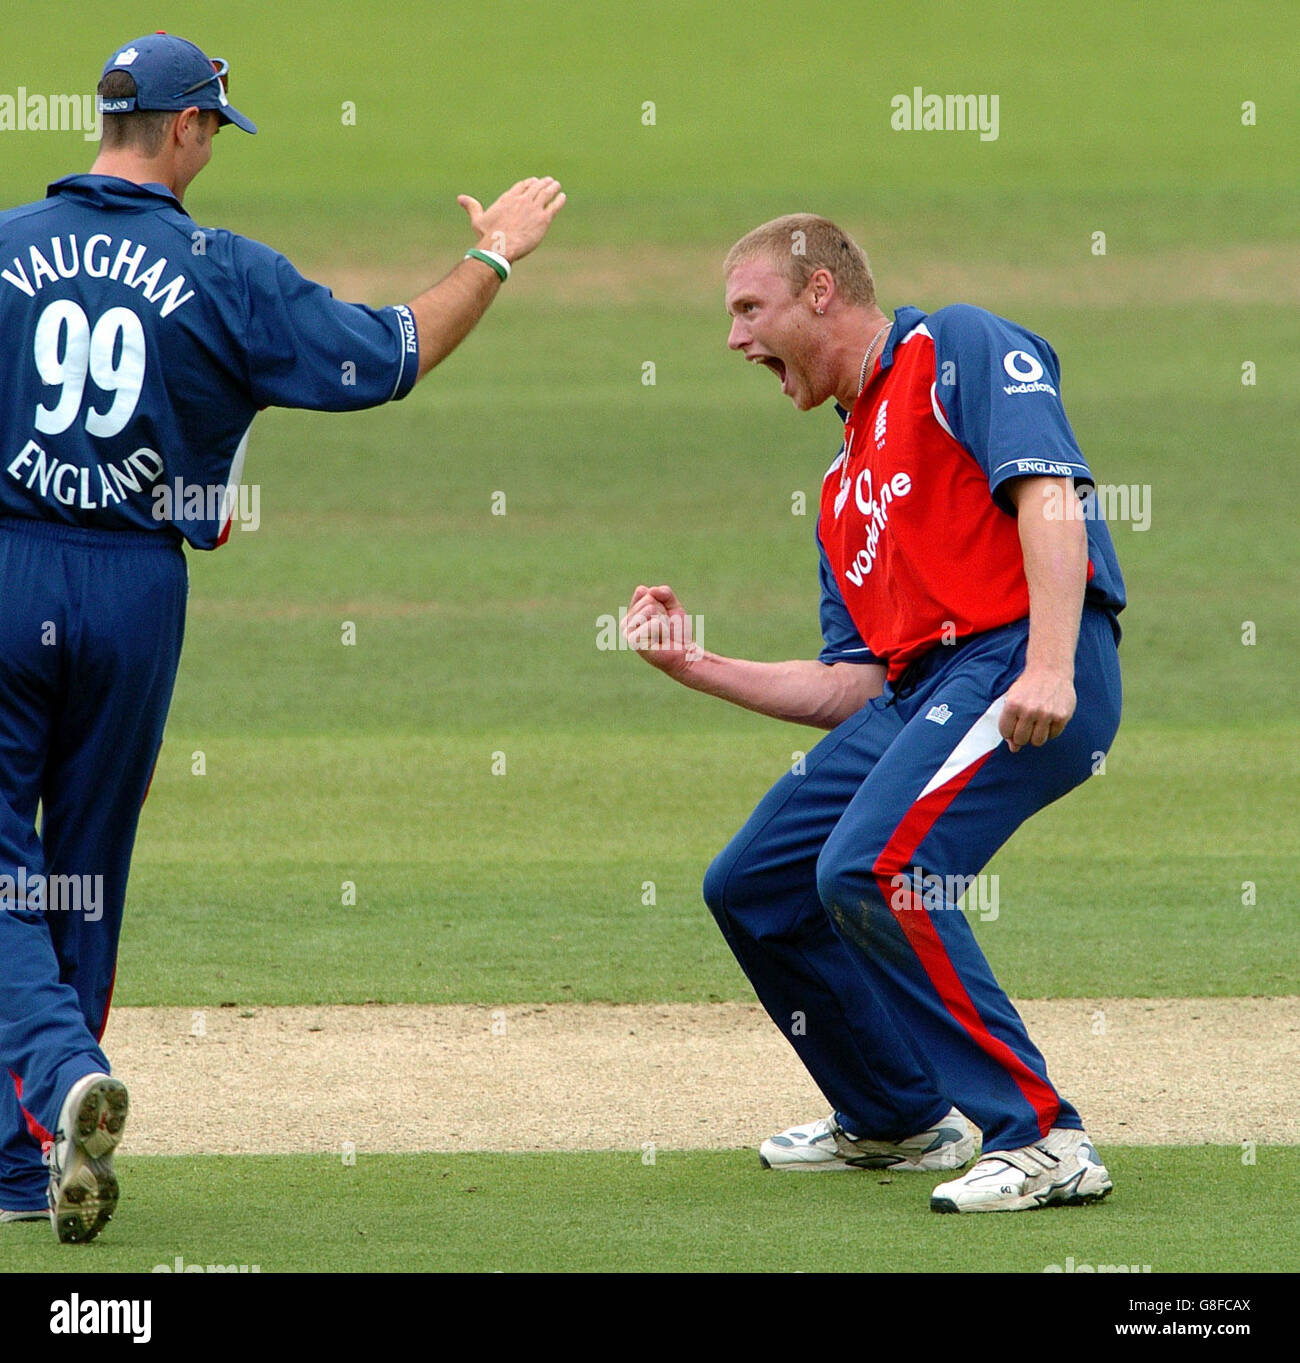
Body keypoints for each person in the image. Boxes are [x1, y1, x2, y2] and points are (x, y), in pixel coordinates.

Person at [0, 32, 564, 1243]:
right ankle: (38, 1133)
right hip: (136, 591)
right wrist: (493, 254)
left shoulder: (5, 247)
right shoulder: (227, 272)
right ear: (192, 130)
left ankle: (48, 1092)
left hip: (6, 565)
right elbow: (392, 355)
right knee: (84, 865)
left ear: (106, 124)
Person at [624, 214, 1126, 1213]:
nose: (733, 338)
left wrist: (1052, 662)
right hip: (922, 694)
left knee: (879, 865)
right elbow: (851, 683)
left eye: (747, 307)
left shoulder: (957, 345)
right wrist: (700, 666)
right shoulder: (841, 484)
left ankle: (1042, 1136)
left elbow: (1047, 492)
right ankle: (897, 1114)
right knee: (755, 884)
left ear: (819, 292)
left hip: (1016, 663)